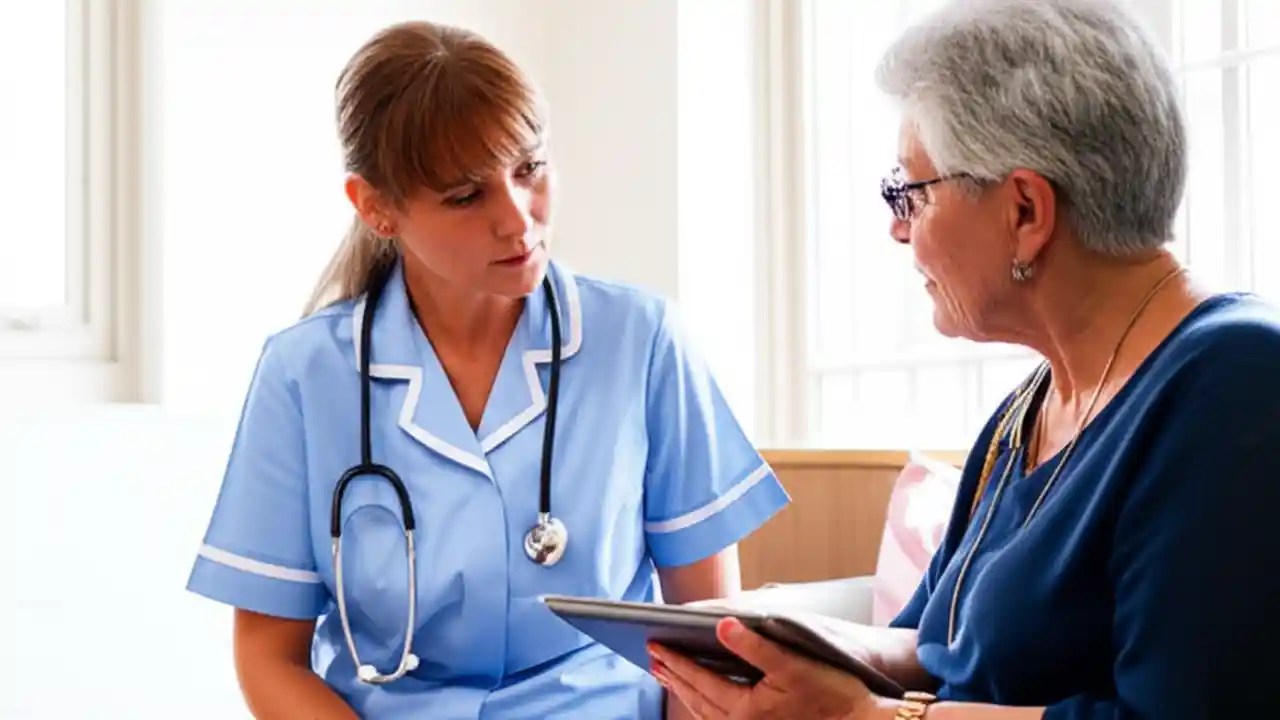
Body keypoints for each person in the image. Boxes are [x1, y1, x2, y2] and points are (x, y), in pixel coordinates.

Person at [650, 0, 1280, 717]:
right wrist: (778, 641)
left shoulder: (1236, 383)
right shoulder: (1030, 410)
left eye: (908, 193)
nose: (896, 228)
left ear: (1025, 213)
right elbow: (931, 643)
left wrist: (864, 718)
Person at [185, 20, 790, 720]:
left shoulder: (642, 341)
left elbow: (709, 635)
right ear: (375, 207)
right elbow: (268, 656)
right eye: (467, 196)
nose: (518, 219)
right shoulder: (302, 376)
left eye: (529, 169)